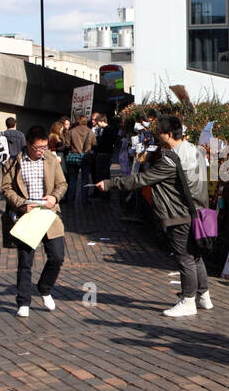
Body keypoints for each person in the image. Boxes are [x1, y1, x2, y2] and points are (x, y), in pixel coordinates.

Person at [98, 115, 211, 317]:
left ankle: (188, 301)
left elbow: (143, 179)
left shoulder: (171, 159)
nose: (157, 135)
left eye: (159, 132)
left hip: (179, 213)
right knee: (195, 256)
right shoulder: (195, 151)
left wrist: (110, 184)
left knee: (184, 258)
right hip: (198, 211)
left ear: (168, 134)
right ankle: (203, 297)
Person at [0, 125, 67, 318]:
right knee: (25, 262)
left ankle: (44, 288)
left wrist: (54, 197)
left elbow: (62, 184)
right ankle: (23, 301)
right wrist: (22, 204)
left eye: (44, 147)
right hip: (27, 215)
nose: (41, 151)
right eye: (37, 147)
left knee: (57, 256)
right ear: (28, 144)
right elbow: (6, 188)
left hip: (48, 213)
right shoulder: (14, 162)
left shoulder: (52, 160)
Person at [64, 115, 96, 206]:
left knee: (73, 180)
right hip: (86, 158)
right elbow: (94, 144)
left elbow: (67, 145)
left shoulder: (71, 131)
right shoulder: (90, 132)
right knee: (85, 180)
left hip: (73, 157)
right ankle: (84, 200)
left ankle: (70, 200)